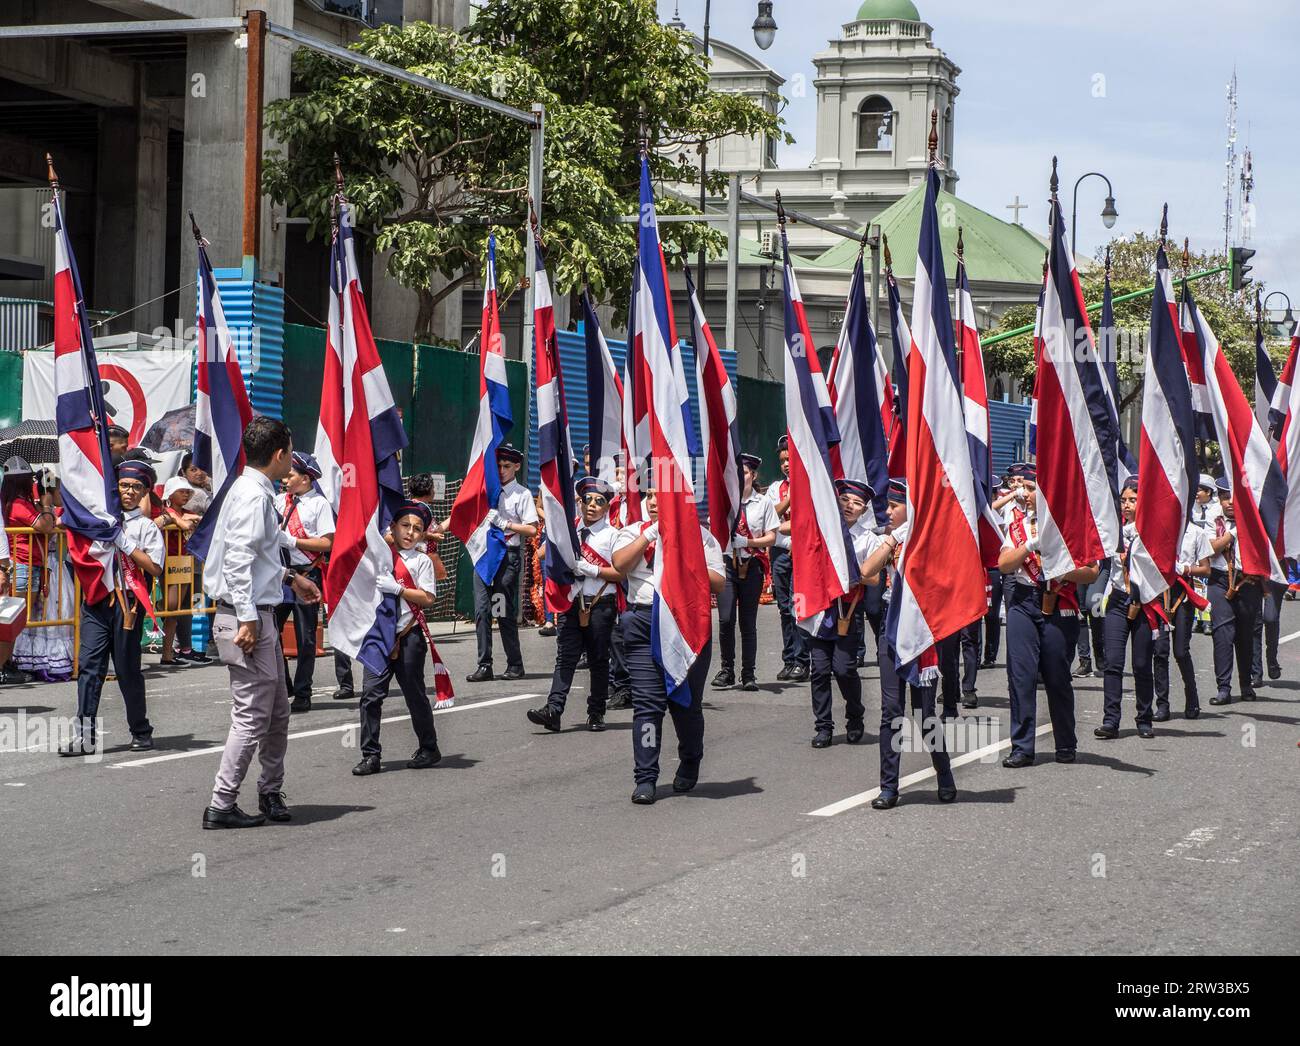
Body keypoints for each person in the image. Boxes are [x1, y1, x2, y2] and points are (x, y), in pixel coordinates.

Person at [203, 417, 321, 829]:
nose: (291, 460)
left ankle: (270, 790)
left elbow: (262, 554)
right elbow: (237, 559)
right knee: (252, 715)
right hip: (246, 616)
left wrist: (292, 578)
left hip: (257, 612)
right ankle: (221, 803)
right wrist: (249, 619)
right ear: (278, 455)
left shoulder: (253, 490)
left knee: (275, 713)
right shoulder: (253, 496)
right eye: (289, 452)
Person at [612, 486, 725, 805]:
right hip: (643, 621)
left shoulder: (701, 536)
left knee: (685, 703)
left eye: (660, 496)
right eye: (649, 496)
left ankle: (691, 758)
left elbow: (718, 581)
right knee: (647, 705)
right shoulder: (632, 532)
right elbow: (620, 564)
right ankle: (646, 777)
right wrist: (649, 536)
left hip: (685, 623)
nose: (653, 502)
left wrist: (685, 549)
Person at [59, 458, 165, 756]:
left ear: (144, 491)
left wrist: (124, 542)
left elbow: (155, 567)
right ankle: (85, 736)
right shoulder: (100, 520)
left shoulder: (145, 527)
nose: (129, 492)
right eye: (124, 485)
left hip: (127, 605)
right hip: (96, 601)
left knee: (128, 670)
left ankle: (141, 731)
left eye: (136, 487)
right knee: (89, 669)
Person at [862, 479, 957, 809]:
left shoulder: (930, 542)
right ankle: (888, 787)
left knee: (925, 713)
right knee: (891, 711)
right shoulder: (891, 540)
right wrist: (892, 539)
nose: (887, 511)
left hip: (921, 631)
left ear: (911, 509)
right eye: (887, 505)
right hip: (891, 626)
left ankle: (944, 774)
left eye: (894, 506)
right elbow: (867, 572)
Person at [998, 467, 1099, 767]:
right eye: (1023, 489)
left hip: (1059, 602)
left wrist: (1056, 565)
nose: (1024, 495)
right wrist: (1029, 545)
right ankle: (1022, 747)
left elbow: (1090, 572)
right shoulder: (1017, 526)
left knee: (1056, 676)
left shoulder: (1069, 525)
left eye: (1030, 488)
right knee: (1020, 675)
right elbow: (1004, 564)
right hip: (1023, 601)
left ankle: (1066, 743)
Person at [527, 477, 623, 733]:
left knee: (599, 659)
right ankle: (553, 710)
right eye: (587, 500)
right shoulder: (569, 531)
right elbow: (544, 554)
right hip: (571, 603)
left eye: (599, 501)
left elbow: (620, 573)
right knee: (565, 658)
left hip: (601, 604)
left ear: (607, 507)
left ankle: (596, 712)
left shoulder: (613, 535)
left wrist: (590, 569)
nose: (592, 505)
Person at [352, 501, 442, 776]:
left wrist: (399, 589)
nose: (410, 533)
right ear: (392, 527)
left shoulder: (422, 560)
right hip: (378, 634)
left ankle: (429, 747)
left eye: (417, 529)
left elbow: (427, 598)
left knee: (414, 694)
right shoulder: (380, 555)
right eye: (405, 526)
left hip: (408, 634)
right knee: (370, 695)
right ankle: (370, 755)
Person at [807, 479, 877, 749]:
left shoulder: (868, 539)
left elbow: (874, 578)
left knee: (844, 669)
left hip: (847, 609)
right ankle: (823, 726)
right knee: (820, 670)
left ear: (864, 510)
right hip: (819, 607)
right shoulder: (823, 529)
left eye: (857, 503)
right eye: (845, 499)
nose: (850, 505)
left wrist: (849, 573)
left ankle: (855, 716)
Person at [463, 444, 538, 683]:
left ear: (516, 466)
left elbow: (532, 529)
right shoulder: (486, 491)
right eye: (498, 466)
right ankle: (484, 665)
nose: (502, 470)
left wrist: (506, 524)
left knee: (502, 610)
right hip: (485, 555)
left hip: (507, 556)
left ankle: (515, 664)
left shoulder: (521, 494)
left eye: (507, 466)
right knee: (482, 611)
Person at [273, 452, 335, 714]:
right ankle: (283, 684)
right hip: (279, 574)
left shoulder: (318, 504)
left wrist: (294, 541)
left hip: (307, 573)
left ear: (306, 478)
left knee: (305, 637)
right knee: (271, 633)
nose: (285, 479)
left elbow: (327, 542)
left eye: (291, 475)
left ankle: (303, 691)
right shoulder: (277, 501)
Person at [1096, 477, 1157, 740]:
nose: (1127, 505)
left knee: (1142, 663)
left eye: (1133, 500)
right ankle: (1111, 720)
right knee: (1113, 663)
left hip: (1144, 602)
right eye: (1123, 500)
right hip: (1119, 600)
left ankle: (1144, 717)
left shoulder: (1151, 530)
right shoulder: (1114, 530)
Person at [713, 453, 777, 692]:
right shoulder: (725, 502)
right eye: (737, 473)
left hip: (752, 566)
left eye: (746, 473)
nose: (741, 477)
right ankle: (726, 670)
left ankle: (748, 673)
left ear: (754, 475)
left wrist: (748, 541)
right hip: (728, 566)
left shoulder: (764, 503)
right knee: (726, 619)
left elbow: (771, 536)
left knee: (748, 622)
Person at [1206, 477, 1263, 707]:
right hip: (1219, 580)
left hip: (1247, 580)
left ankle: (1246, 683)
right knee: (1222, 633)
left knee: (1245, 633)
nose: (1228, 502)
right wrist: (1234, 533)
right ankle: (1223, 688)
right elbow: (1210, 548)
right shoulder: (1213, 517)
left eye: (1232, 497)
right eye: (1223, 497)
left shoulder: (1254, 516)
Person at [1153, 519, 1212, 720]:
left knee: (1180, 651)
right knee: (1160, 651)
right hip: (1159, 593)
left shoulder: (1196, 532)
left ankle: (1192, 698)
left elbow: (1206, 569)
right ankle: (1162, 705)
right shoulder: (1159, 525)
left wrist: (1185, 569)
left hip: (1182, 596)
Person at [2, 456, 53, 684]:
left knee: (19, 619)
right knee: (17, 619)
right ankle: (7, 664)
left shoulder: (15, 502)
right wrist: (46, 501)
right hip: (22, 565)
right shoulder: (19, 504)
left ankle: (10, 663)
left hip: (27, 564)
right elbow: (46, 525)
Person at [765, 437, 808, 682]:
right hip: (781, 554)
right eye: (782, 460)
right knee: (784, 608)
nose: (786, 464)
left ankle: (803, 661)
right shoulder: (776, 488)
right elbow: (773, 516)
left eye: (790, 459)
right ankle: (789, 659)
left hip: (802, 553)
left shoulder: (810, 484)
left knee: (798, 608)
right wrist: (792, 496)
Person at [157, 475, 202, 667]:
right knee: (172, 606)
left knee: (175, 611)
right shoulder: (165, 511)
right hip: (168, 562)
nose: (185, 495)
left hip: (185, 562)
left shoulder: (188, 512)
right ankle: (157, 606)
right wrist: (183, 519)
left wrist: (189, 518)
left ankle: (167, 654)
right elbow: (170, 523)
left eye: (187, 492)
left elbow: (197, 520)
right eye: (181, 491)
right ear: (170, 493)